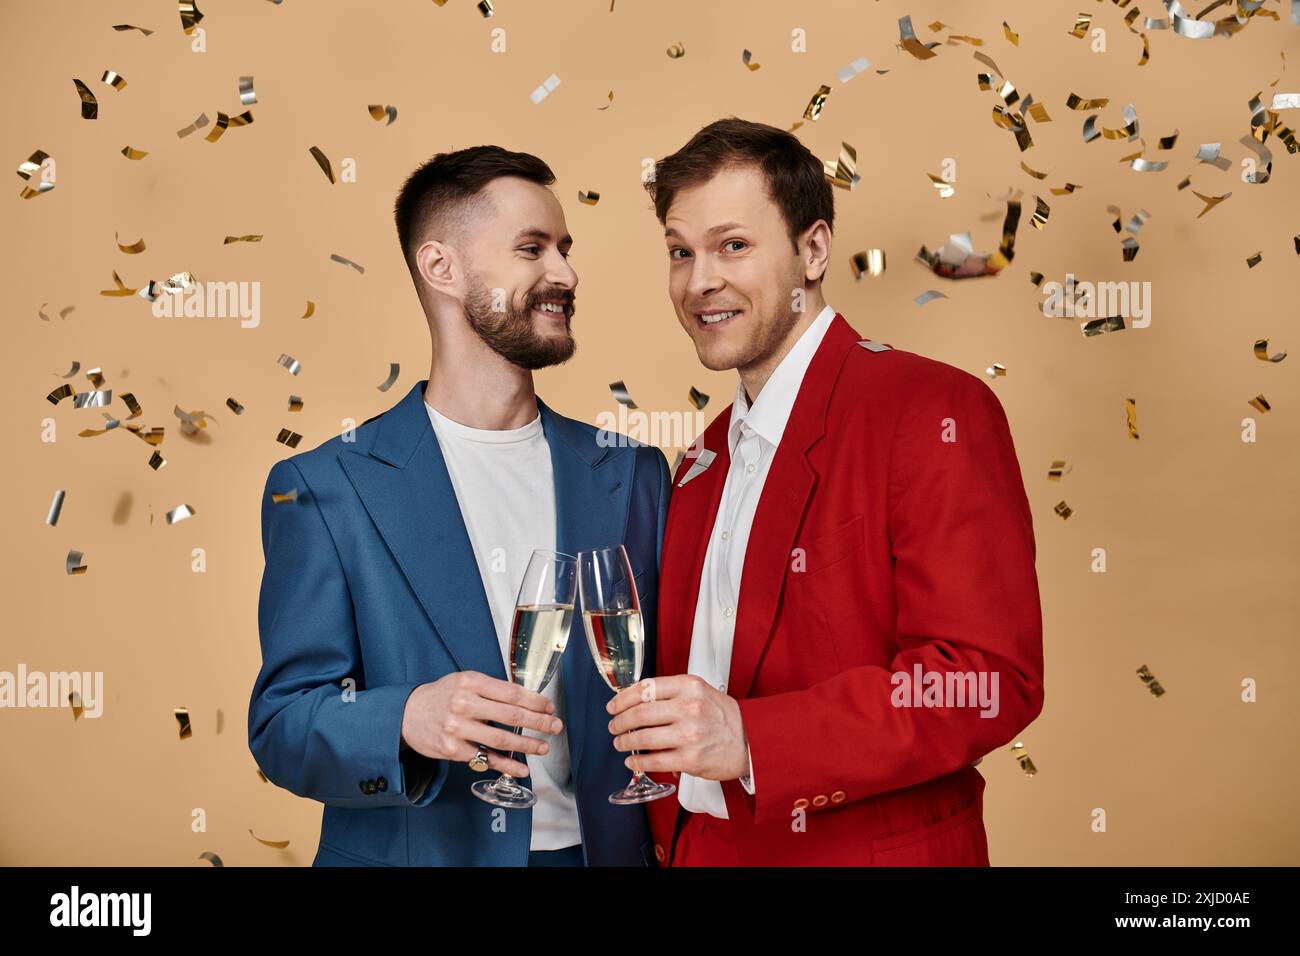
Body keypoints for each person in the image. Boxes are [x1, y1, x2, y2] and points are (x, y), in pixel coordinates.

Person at [607, 118, 1045, 865]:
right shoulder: (701, 456)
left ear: (814, 250)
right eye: (681, 252)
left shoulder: (931, 410)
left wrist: (753, 739)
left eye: (732, 245)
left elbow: (984, 680)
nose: (699, 280)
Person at [249, 145, 670, 866]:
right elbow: (283, 725)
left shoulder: (633, 472)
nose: (565, 274)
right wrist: (404, 718)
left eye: (565, 249)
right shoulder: (324, 489)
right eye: (532, 248)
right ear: (440, 267)